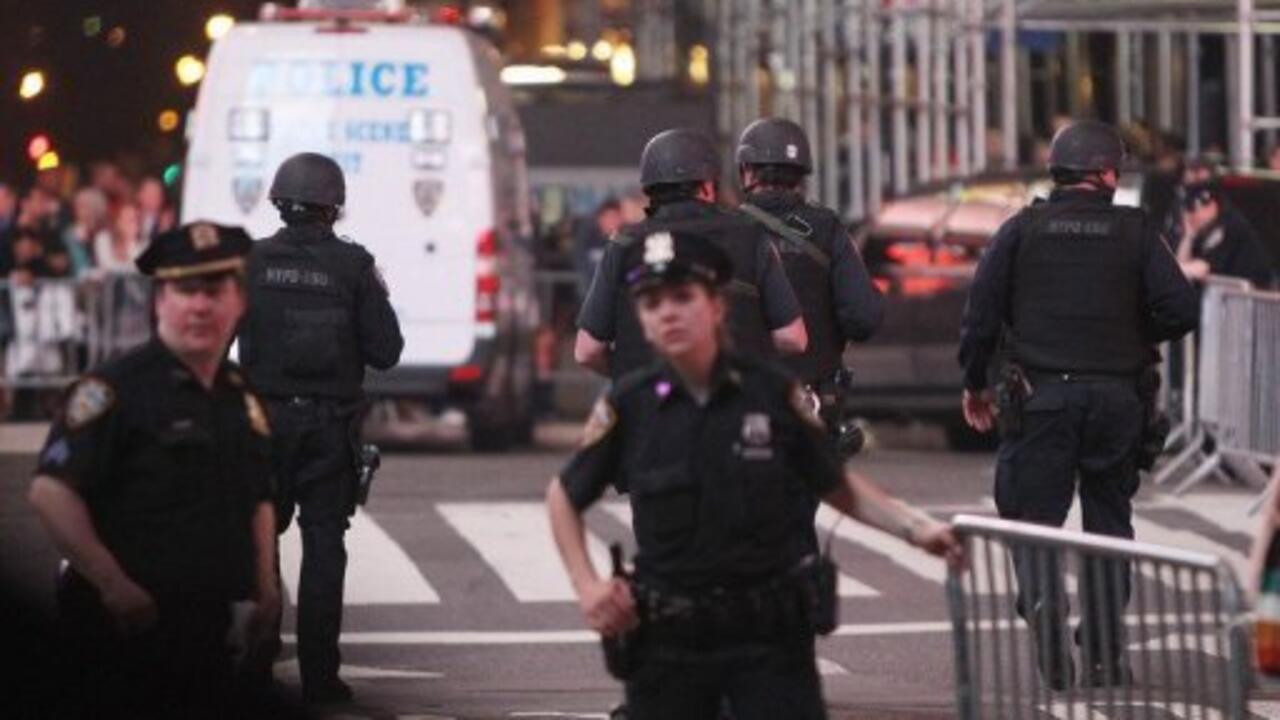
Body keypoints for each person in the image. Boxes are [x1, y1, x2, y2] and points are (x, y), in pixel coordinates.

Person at [548, 229, 964, 719]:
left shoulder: (771, 393)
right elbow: (564, 495)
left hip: (769, 644)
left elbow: (836, 485)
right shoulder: (628, 404)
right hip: (670, 647)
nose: (668, 312)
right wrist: (588, 586)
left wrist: (916, 530)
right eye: (652, 302)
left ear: (717, 306)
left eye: (683, 297)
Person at [957, 120, 1199, 689]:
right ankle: (1106, 653)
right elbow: (1182, 310)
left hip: (1041, 398)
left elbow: (981, 314)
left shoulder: (1021, 230)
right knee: (1108, 526)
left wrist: (974, 384)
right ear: (1109, 174)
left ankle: (1043, 601)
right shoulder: (1137, 232)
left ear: (1059, 172)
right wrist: (1133, 335)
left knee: (1033, 518)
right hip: (1118, 399)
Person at [26, 222, 280, 716]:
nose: (200, 306)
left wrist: (266, 586)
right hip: (123, 627)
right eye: (185, 290)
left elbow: (258, 493)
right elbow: (50, 493)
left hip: (208, 627)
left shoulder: (240, 394)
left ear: (239, 301)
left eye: (214, 290)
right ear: (160, 300)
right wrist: (113, 585)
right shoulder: (115, 390)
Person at [238, 151, 404, 704]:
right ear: (334, 206)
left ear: (280, 202)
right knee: (324, 549)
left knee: (260, 545)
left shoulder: (252, 262)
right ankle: (319, 676)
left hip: (263, 426)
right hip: (329, 428)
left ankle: (255, 662)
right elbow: (386, 351)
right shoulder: (354, 267)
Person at [575, 128, 807, 381]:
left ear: (649, 190)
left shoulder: (624, 243)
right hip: (734, 407)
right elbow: (792, 338)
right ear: (708, 187)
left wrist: (631, 380)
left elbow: (587, 351)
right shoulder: (750, 237)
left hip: (649, 412)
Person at [735, 117, 884, 457]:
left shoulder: (727, 231)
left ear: (746, 170)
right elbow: (863, 317)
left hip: (741, 404)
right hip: (812, 405)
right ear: (802, 173)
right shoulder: (826, 229)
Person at [1177, 179, 1274, 288]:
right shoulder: (1202, 230)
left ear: (1211, 206)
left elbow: (1202, 269)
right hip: (1223, 292)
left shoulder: (1231, 225)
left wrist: (1172, 270)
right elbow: (1182, 271)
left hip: (1251, 292)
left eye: (1192, 210)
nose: (1189, 216)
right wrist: (1188, 237)